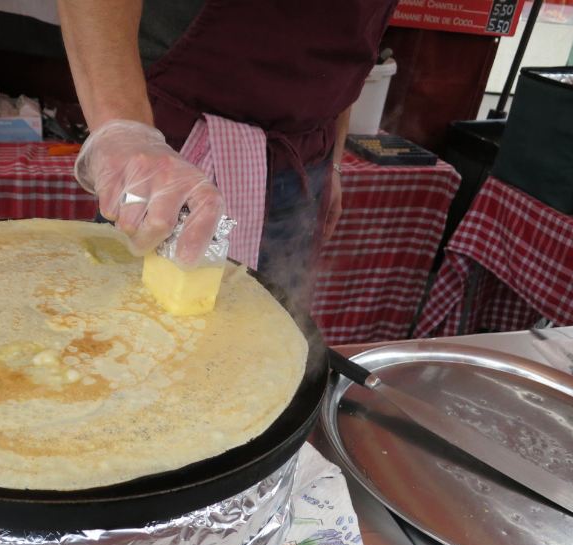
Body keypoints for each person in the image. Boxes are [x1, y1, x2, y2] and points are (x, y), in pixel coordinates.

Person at [58, 0, 397, 314]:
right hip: (172, 156)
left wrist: (334, 160)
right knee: (126, 322)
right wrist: (123, 128)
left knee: (273, 324)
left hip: (306, 163)